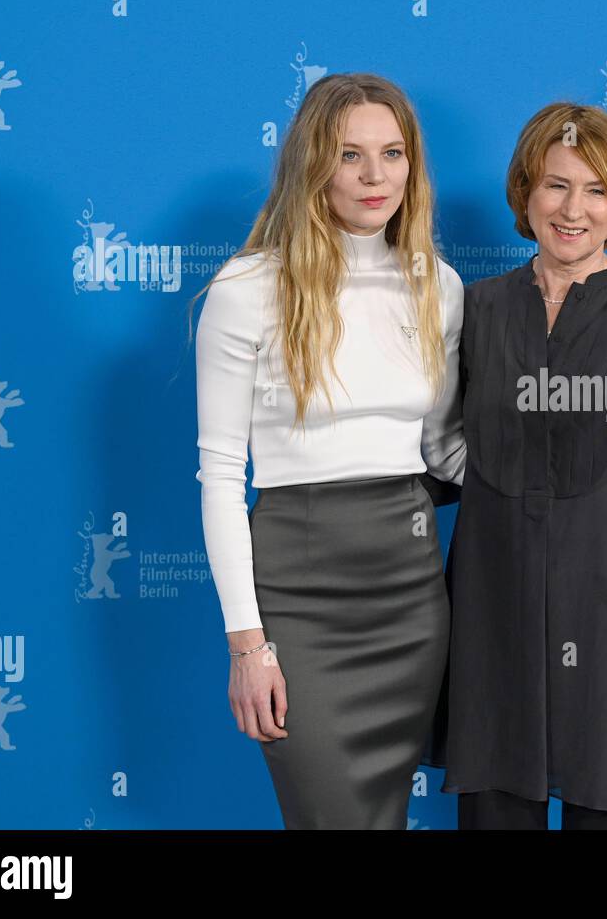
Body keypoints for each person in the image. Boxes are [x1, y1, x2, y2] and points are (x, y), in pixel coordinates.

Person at [190, 72, 465, 828]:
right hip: (297, 602)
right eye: (350, 155)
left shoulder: (438, 286)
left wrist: (568, 460)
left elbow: (443, 451)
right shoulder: (247, 288)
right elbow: (219, 477)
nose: (376, 176)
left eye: (393, 153)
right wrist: (248, 646)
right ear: (314, 163)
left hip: (410, 599)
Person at [438, 103, 607, 830]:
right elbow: (434, 460)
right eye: (556, 185)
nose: (574, 209)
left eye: (596, 190)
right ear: (526, 192)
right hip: (493, 628)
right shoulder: (477, 312)